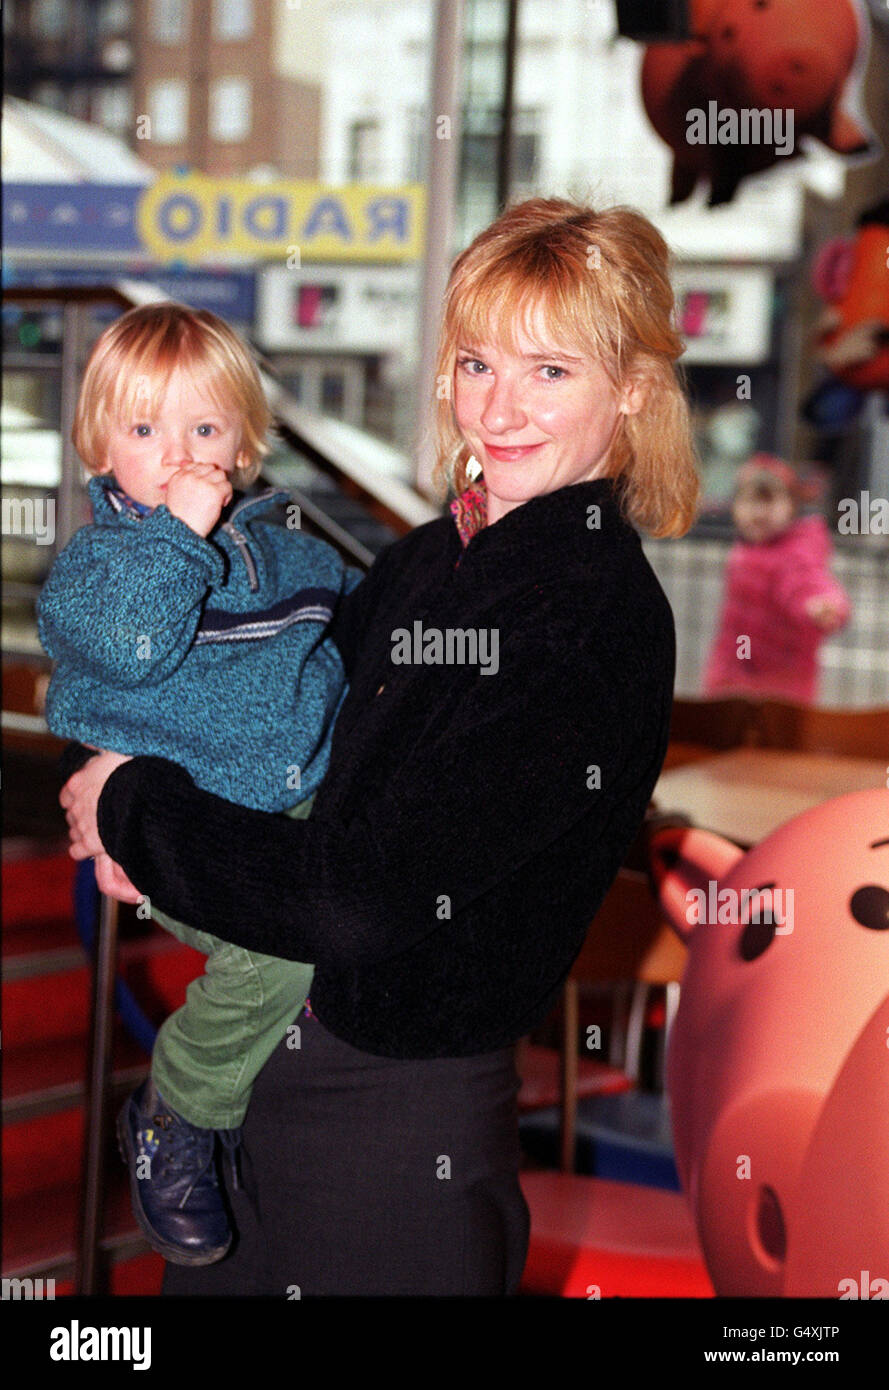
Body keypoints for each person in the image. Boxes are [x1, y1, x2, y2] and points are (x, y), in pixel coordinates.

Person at [60, 196, 700, 1297]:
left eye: (551, 371)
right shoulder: (428, 559)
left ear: (631, 392)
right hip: (265, 1080)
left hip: (397, 1124)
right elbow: (283, 709)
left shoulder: (582, 611)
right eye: (475, 362)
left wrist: (133, 807)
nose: (498, 407)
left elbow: (358, 899)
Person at [38, 303, 358, 1266]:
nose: (178, 456)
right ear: (99, 443)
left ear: (246, 441)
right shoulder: (98, 570)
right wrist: (179, 533)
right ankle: (176, 1105)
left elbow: (345, 667)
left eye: (204, 430)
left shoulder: (296, 556)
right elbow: (132, 650)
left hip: (289, 806)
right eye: (144, 431)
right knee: (278, 957)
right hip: (176, 822)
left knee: (352, 919)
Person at [702, 453, 850, 704]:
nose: (759, 512)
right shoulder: (748, 549)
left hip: (779, 690)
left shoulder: (794, 551)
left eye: (769, 503)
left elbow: (806, 582)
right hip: (737, 677)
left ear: (792, 507)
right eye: (751, 502)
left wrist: (821, 605)